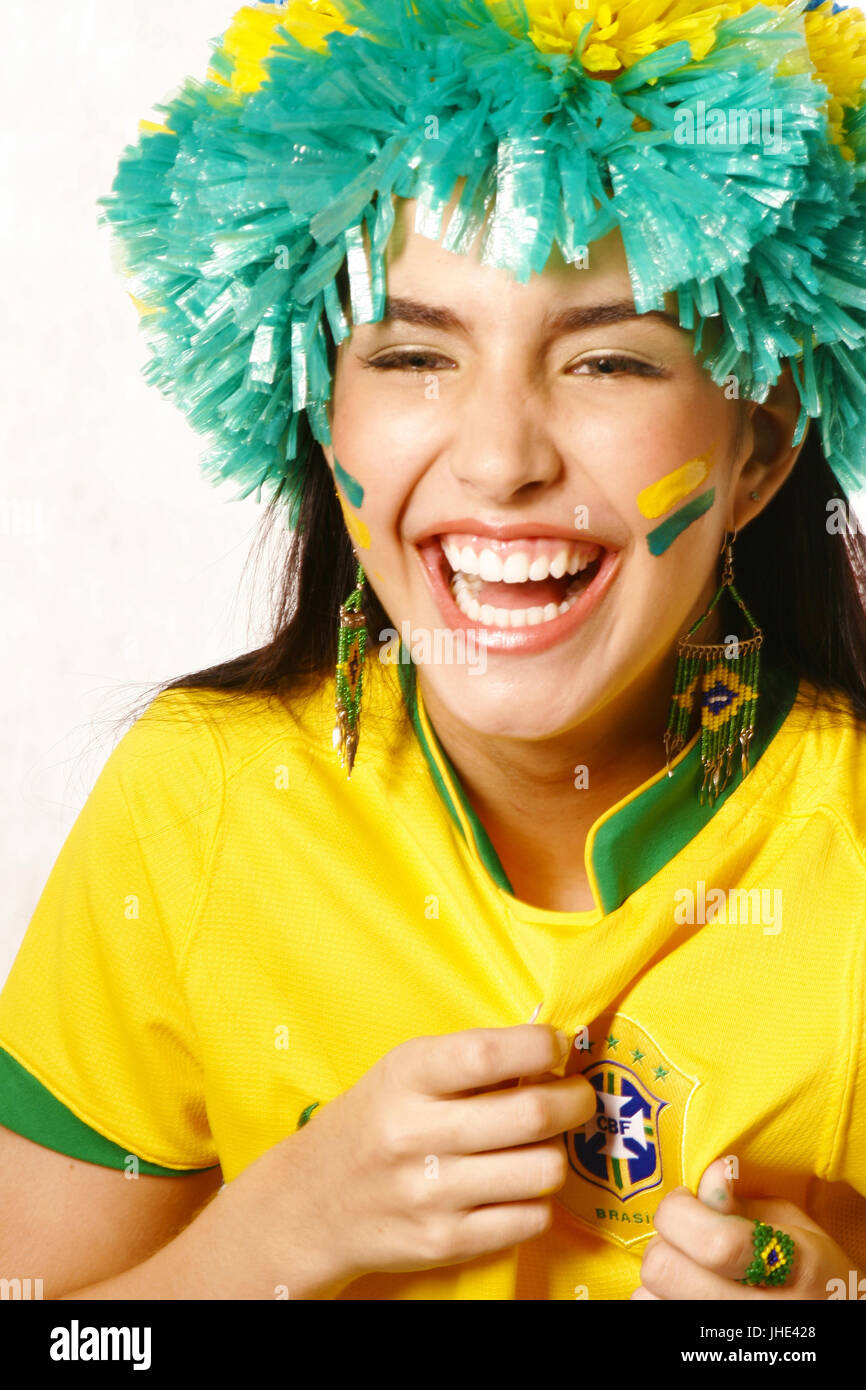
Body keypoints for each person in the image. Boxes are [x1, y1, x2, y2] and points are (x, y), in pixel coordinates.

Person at [1, 0, 865, 1301]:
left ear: (762, 444)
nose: (499, 458)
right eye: (411, 351)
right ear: (314, 396)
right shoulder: (192, 806)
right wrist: (279, 1233)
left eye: (608, 361)